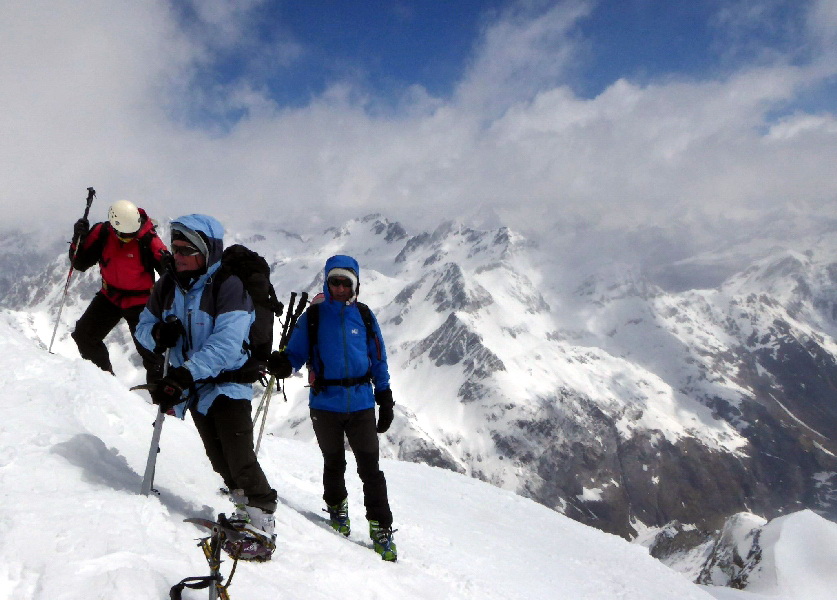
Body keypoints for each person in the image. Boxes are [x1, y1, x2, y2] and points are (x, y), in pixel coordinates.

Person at [135, 214, 278, 561]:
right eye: (176, 247)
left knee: (238, 453)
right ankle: (244, 512)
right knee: (218, 456)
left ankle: (263, 521)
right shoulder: (167, 285)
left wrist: (183, 375)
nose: (179, 254)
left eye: (188, 249)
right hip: (195, 386)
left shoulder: (227, 286)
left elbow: (227, 345)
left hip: (228, 383)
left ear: (207, 252)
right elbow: (143, 325)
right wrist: (157, 335)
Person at [268, 254, 398, 561]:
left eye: (345, 283)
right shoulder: (313, 317)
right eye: (334, 282)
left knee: (370, 469)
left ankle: (381, 526)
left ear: (355, 285)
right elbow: (296, 353)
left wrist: (385, 395)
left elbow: (378, 358)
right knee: (334, 461)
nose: (340, 288)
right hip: (325, 402)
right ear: (327, 282)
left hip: (362, 401)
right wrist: (284, 364)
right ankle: (337, 507)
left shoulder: (364, 316)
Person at [69, 200, 167, 383]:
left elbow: (168, 273)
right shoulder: (102, 233)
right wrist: (78, 239)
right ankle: (105, 381)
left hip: (140, 303)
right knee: (84, 336)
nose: (129, 238)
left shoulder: (148, 239)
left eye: (132, 234)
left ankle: (161, 402)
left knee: (153, 355)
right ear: (113, 226)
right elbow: (80, 263)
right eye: (124, 235)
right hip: (110, 297)